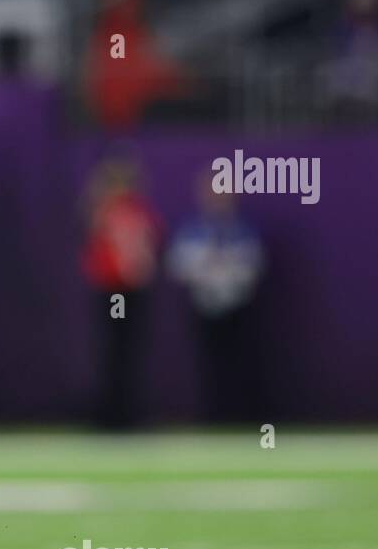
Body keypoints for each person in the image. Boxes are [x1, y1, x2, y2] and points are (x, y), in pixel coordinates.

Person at [167, 176, 264, 423]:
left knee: (239, 365)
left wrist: (225, 271)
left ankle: (239, 417)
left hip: (236, 305)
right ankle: (211, 417)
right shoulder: (194, 230)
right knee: (209, 365)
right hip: (204, 305)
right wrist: (206, 267)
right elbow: (178, 265)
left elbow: (252, 266)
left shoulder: (241, 230)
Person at [80, 156, 162, 428]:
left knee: (128, 352)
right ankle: (111, 413)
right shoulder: (105, 210)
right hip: (111, 291)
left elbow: (147, 250)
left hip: (130, 291)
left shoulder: (136, 211)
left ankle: (127, 413)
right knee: (112, 352)